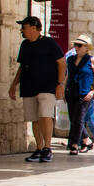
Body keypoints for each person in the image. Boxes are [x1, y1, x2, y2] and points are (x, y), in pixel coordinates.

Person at [8, 15, 65, 163]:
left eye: (24, 27)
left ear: (34, 28)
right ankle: (39, 148)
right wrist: (14, 84)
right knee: (34, 118)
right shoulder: (25, 45)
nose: (22, 30)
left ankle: (47, 148)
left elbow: (61, 63)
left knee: (45, 115)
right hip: (28, 85)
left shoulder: (49, 43)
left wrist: (60, 84)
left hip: (47, 85)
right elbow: (22, 66)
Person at [64, 35, 94, 156]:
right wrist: (64, 89)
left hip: (84, 93)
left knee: (79, 119)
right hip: (71, 91)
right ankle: (86, 140)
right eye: (75, 45)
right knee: (73, 118)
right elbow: (68, 75)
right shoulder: (70, 59)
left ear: (86, 47)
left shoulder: (91, 60)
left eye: (79, 45)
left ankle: (73, 145)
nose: (76, 47)